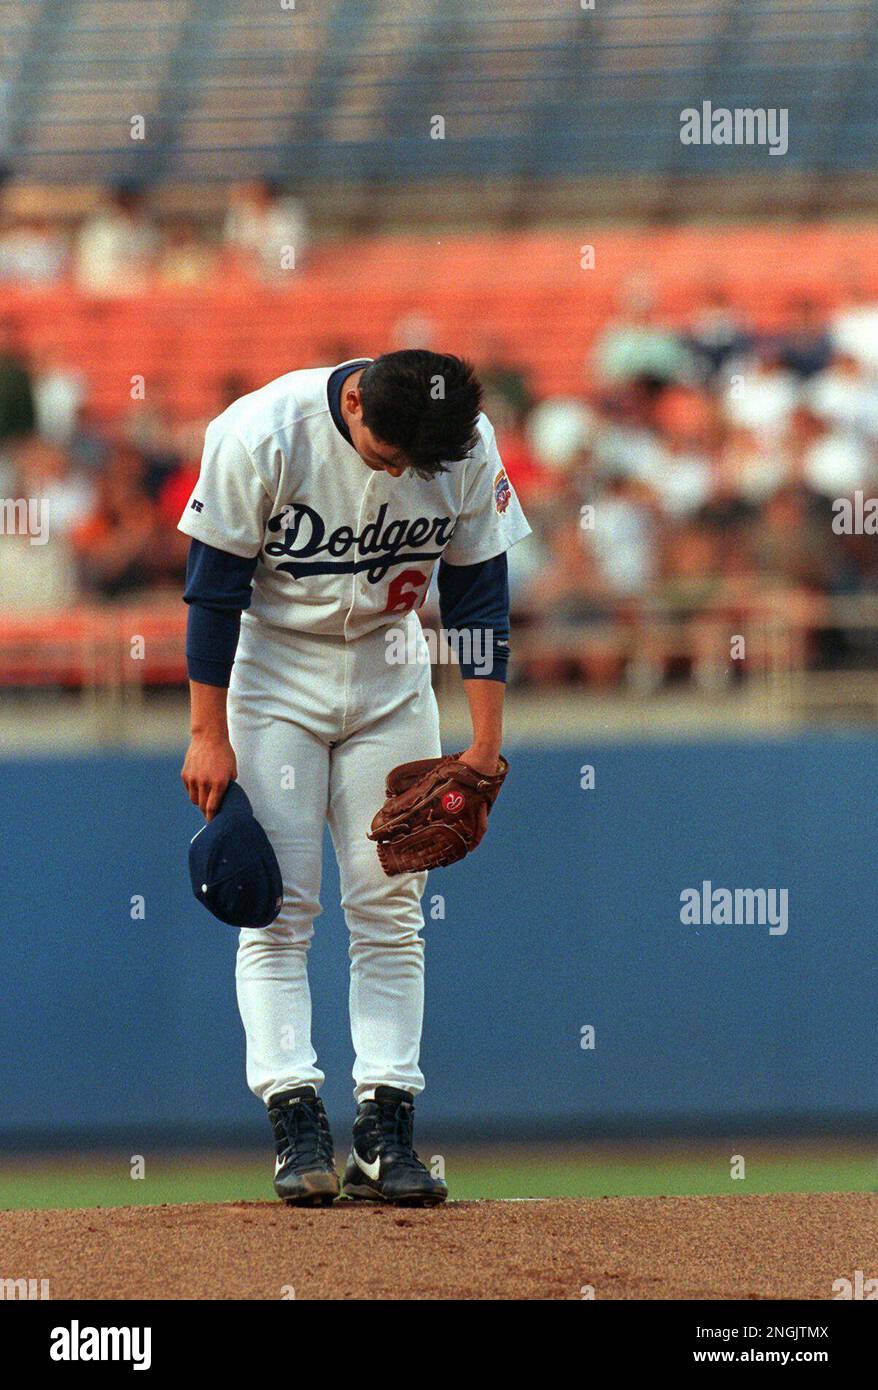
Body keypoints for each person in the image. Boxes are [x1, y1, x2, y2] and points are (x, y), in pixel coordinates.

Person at [178, 350, 530, 1205]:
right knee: (279, 907)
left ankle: (387, 1120)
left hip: (391, 672)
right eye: (387, 451)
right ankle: (295, 1112)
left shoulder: (463, 439)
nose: (400, 470)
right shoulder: (262, 430)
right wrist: (206, 734)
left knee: (389, 906)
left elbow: (480, 596)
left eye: (416, 461)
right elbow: (214, 592)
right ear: (357, 396)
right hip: (273, 677)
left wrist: (485, 747)